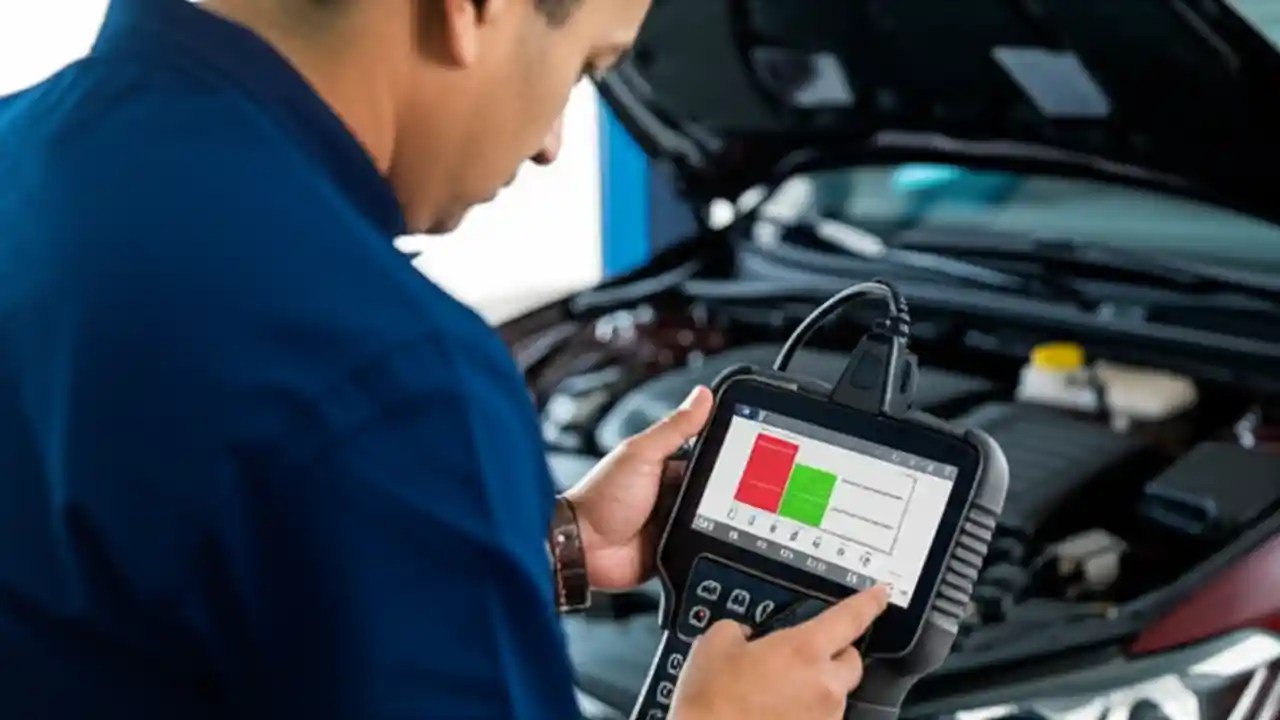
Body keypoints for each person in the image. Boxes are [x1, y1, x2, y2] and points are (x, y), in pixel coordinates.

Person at [0, 0, 889, 717]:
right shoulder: (388, 373)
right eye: (584, 68)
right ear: (472, 11)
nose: (550, 146)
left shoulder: (23, 153)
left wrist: (548, 548)